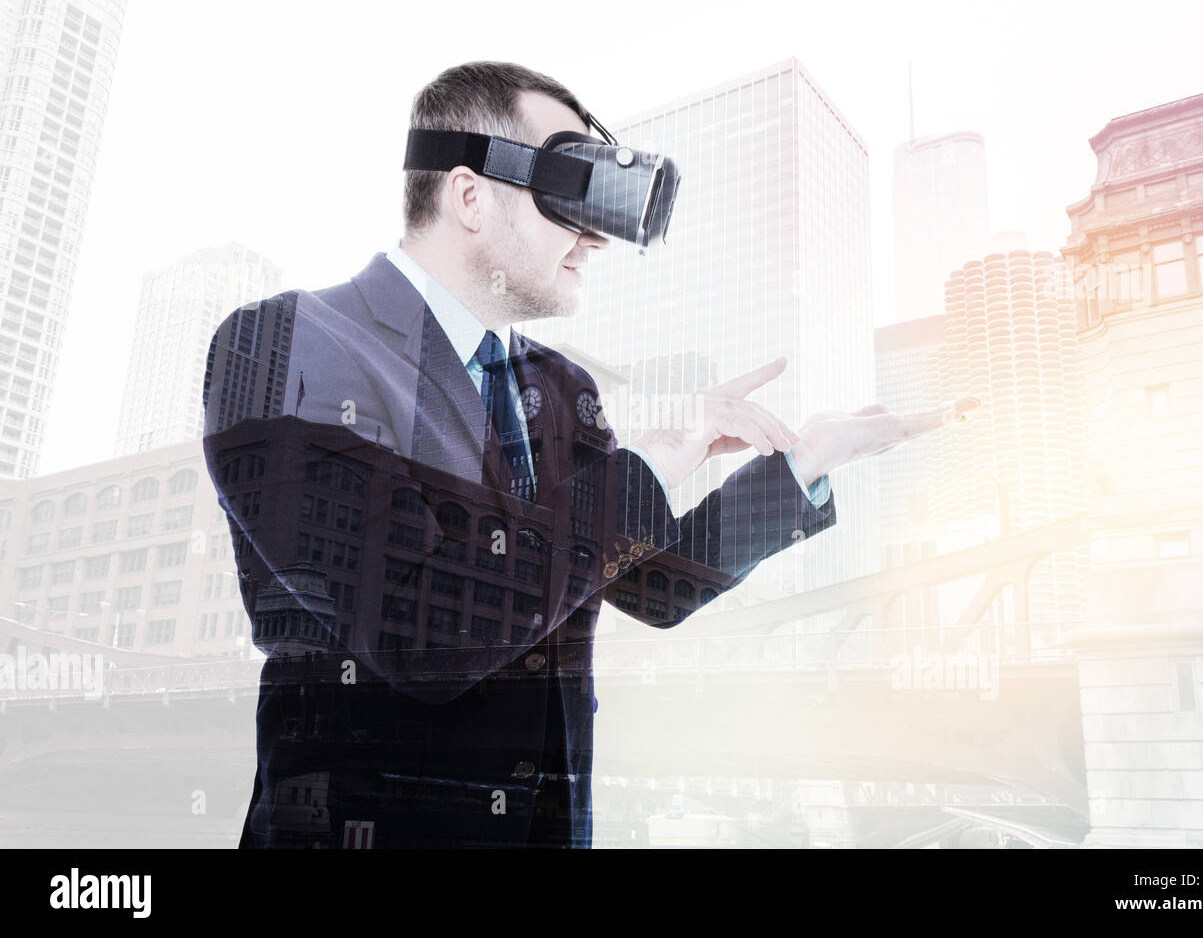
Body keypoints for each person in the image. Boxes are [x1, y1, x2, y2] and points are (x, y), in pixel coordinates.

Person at [202, 61, 965, 849]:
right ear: (469, 196)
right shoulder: (286, 347)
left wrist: (802, 464)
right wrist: (661, 454)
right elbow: (421, 635)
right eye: (569, 191)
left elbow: (651, 586)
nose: (594, 238)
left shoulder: (559, 387)